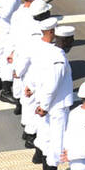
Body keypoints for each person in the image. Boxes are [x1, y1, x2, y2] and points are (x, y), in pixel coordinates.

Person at [25, 19, 73, 170]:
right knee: (56, 141)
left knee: (45, 137)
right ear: (66, 41)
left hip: (47, 104)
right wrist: (44, 106)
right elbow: (53, 85)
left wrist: (32, 88)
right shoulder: (59, 59)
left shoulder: (49, 52)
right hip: (56, 106)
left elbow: (38, 73)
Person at [21, 16, 59, 155]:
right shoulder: (52, 51)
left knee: (32, 111)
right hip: (43, 88)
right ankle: (35, 146)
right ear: (51, 32)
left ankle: (29, 135)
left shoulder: (36, 44)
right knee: (44, 125)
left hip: (34, 83)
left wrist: (30, 84)